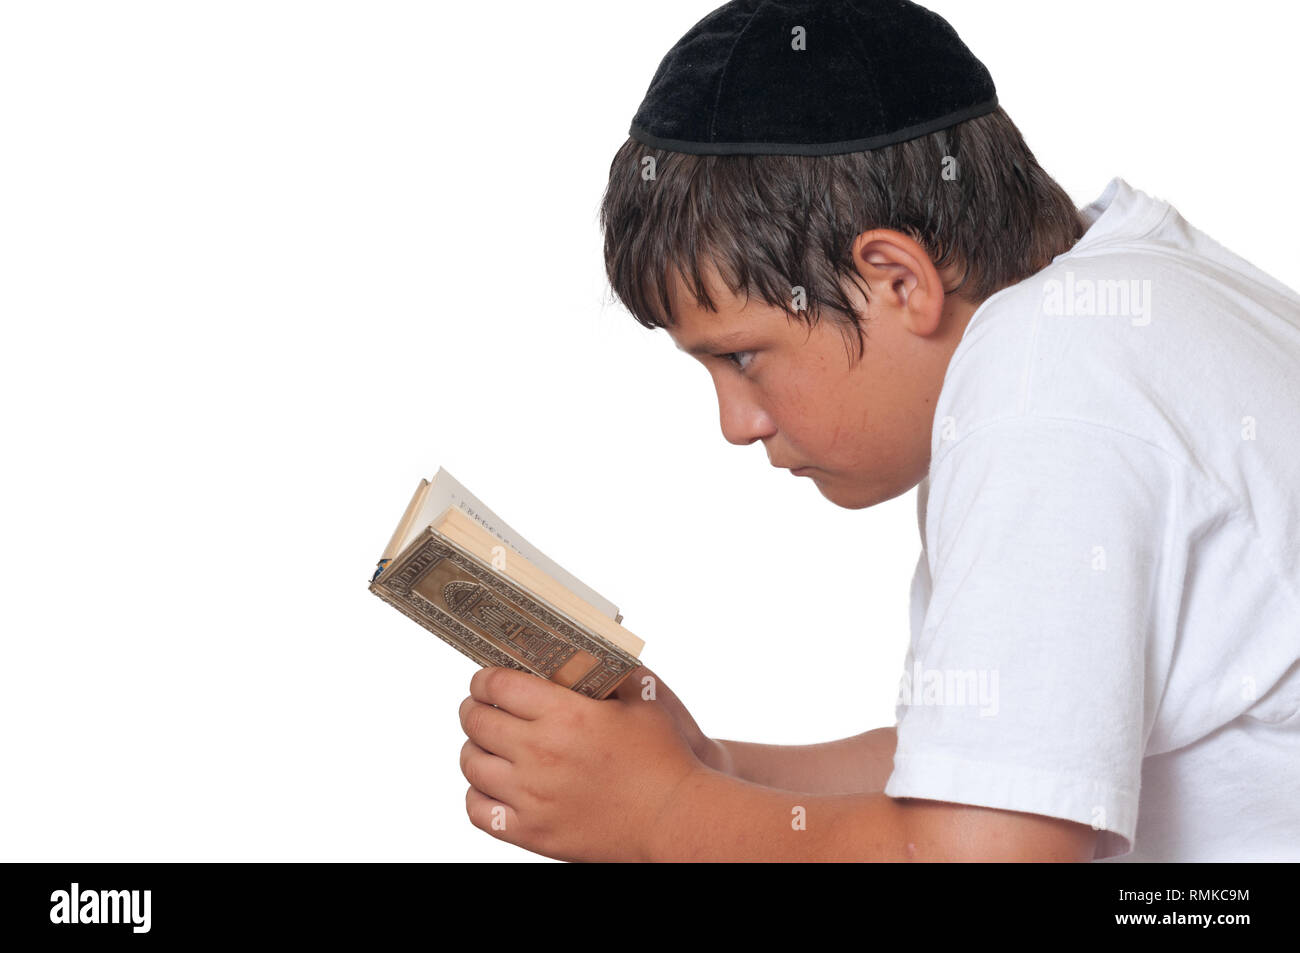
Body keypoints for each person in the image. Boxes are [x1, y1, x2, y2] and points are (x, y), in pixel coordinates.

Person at [457, 0, 1300, 861]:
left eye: (743, 357)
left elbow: (977, 855)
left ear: (897, 278)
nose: (734, 424)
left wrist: (666, 815)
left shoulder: (1049, 379)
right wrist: (710, 765)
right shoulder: (1115, 310)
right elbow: (989, 767)